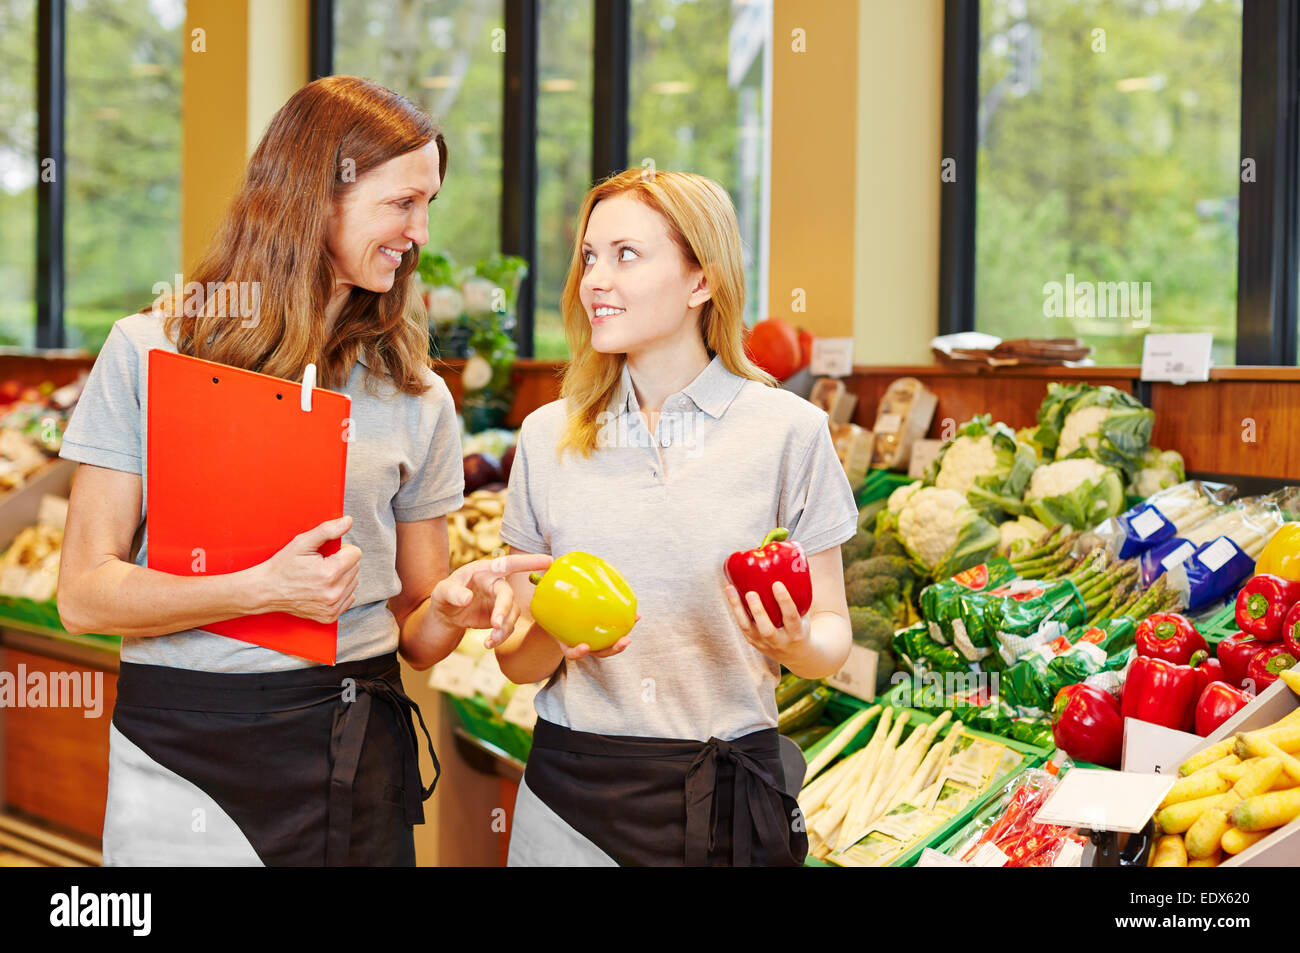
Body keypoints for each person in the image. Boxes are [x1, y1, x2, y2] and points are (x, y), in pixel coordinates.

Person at [55, 75, 548, 866]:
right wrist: (261, 589)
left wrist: (454, 609)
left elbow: (418, 634)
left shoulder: (416, 395)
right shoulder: (153, 353)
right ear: (319, 194)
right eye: (403, 204)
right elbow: (83, 595)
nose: (419, 232)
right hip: (185, 749)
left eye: (429, 206)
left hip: (356, 747)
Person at [488, 169, 858, 866]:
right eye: (589, 257)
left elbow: (834, 631)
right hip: (571, 803)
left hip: (727, 800)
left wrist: (795, 646)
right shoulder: (546, 435)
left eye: (626, 255)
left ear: (701, 282)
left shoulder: (789, 432)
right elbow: (517, 662)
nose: (596, 278)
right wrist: (549, 635)